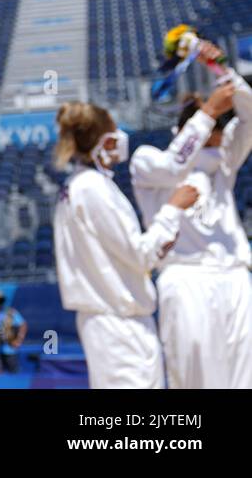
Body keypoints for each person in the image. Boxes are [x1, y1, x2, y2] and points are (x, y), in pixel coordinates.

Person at [130, 41, 252, 388]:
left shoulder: (226, 158)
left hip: (233, 275)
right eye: (214, 126)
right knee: (196, 377)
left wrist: (221, 69)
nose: (219, 136)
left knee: (244, 378)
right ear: (186, 129)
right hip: (186, 278)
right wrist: (209, 112)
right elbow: (175, 165)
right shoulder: (149, 161)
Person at [52, 102, 198, 389]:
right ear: (104, 140)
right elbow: (140, 255)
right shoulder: (93, 188)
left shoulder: (80, 185)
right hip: (118, 323)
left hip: (112, 321)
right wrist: (172, 209)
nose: (120, 137)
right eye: (114, 131)